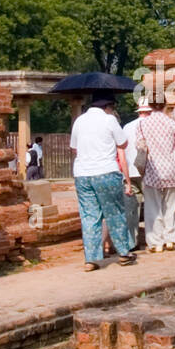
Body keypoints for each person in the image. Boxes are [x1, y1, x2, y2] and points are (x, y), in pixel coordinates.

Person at [70, 95, 136, 270]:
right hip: (106, 171)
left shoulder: (79, 121)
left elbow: (74, 148)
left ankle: (91, 259)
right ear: (108, 106)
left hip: (82, 173)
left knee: (89, 216)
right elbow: (123, 143)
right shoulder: (109, 120)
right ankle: (123, 253)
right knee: (115, 213)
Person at [135, 96, 175, 252]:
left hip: (152, 170)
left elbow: (140, 146)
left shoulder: (142, 124)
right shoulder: (172, 124)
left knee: (153, 207)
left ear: (150, 105)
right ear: (165, 105)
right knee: (170, 207)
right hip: (172, 169)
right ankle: (170, 239)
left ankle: (156, 242)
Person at [122, 101, 151, 250]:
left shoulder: (127, 127)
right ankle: (152, 239)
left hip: (129, 173)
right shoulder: (151, 126)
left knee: (131, 209)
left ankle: (131, 242)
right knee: (152, 206)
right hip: (147, 171)